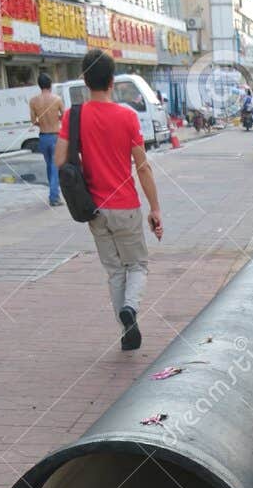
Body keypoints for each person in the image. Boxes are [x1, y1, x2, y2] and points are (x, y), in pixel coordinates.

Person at [55, 48, 163, 351]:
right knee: (137, 266)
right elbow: (143, 167)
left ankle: (126, 330)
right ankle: (130, 308)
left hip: (94, 209)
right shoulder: (127, 117)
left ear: (85, 80)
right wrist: (155, 208)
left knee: (115, 271)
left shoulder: (72, 115)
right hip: (126, 205)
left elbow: (60, 159)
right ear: (111, 81)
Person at [28, 71, 63, 206]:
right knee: (55, 167)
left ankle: (53, 193)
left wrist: (42, 122)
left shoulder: (33, 101)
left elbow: (33, 121)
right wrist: (56, 119)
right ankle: (54, 196)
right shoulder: (57, 99)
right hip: (55, 135)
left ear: (39, 85)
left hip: (43, 137)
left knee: (49, 166)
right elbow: (64, 116)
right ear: (50, 85)